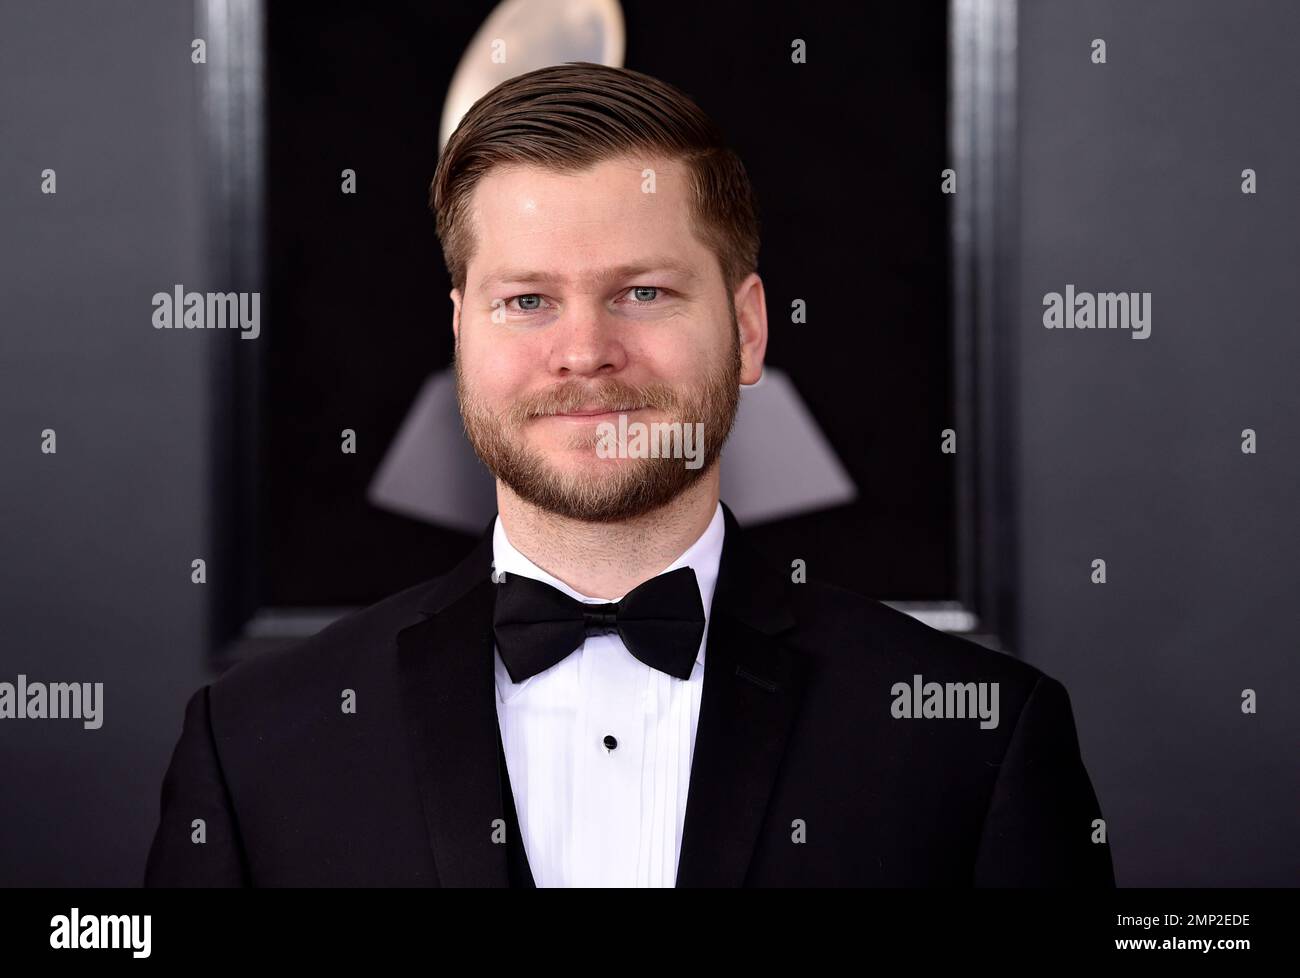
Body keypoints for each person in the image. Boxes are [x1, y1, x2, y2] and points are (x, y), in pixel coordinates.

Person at [145, 62, 1114, 887]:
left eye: (641, 293)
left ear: (746, 329)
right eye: (526, 299)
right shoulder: (254, 747)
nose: (584, 352)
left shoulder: (979, 739)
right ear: (458, 333)